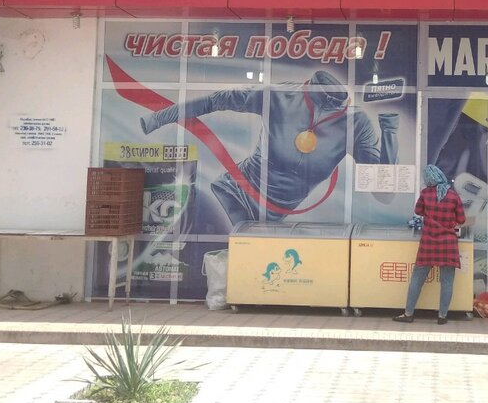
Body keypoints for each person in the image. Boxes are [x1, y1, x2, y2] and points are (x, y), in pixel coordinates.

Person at [140, 69, 398, 224]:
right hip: (236, 193)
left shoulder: (356, 122)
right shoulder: (278, 95)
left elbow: (382, 192)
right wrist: (157, 118)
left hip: (277, 214)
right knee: (245, 250)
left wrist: (390, 133)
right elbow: (215, 101)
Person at [392, 165, 466, 325]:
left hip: (428, 243)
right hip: (448, 244)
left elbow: (418, 211)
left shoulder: (425, 194)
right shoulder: (453, 196)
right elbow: (461, 219)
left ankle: (408, 313)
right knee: (447, 281)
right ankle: (442, 316)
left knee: (417, 279)